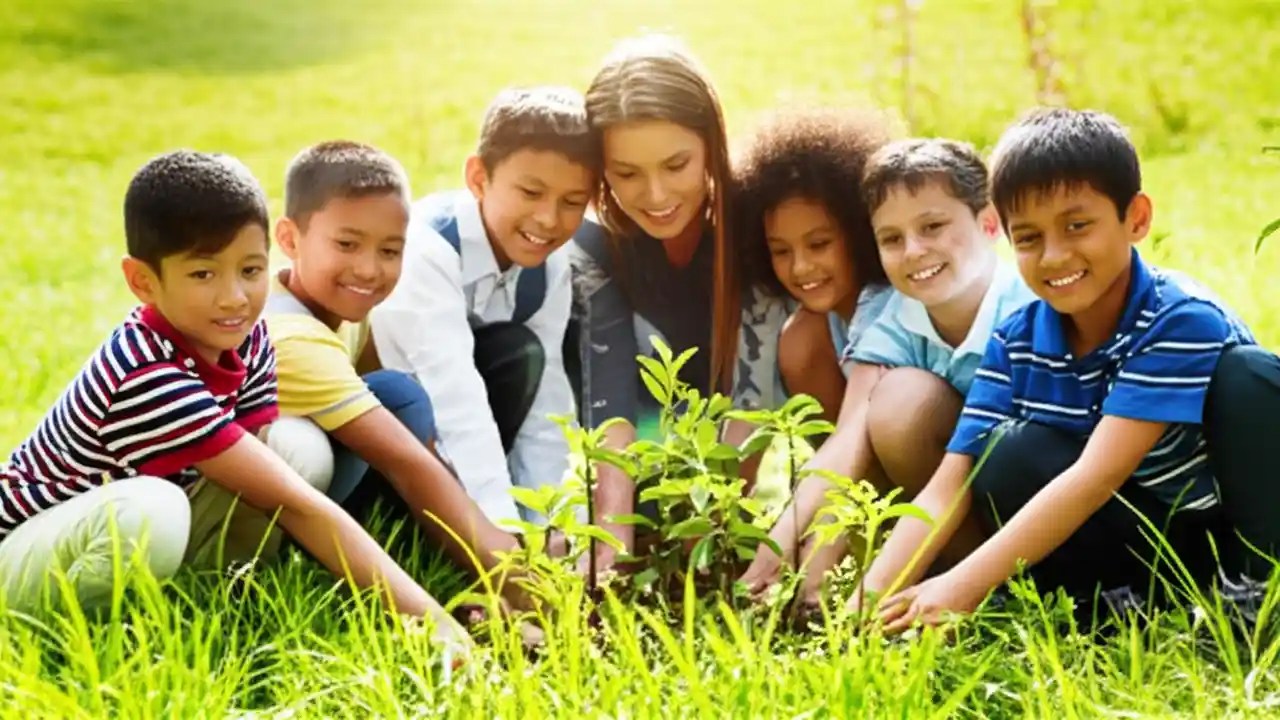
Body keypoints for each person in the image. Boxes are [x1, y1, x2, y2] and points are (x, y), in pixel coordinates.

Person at [0, 150, 469, 653]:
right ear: (142, 281)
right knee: (151, 513)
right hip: (26, 551)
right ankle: (93, 638)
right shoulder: (144, 372)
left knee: (296, 449)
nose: (235, 298)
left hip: (145, 521)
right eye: (203, 274)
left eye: (250, 269)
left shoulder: (247, 339)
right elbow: (294, 503)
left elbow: (270, 487)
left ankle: (222, 596)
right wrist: (434, 621)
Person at [868, 108, 1280, 632]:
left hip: (1217, 522)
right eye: (1029, 238)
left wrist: (962, 587)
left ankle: (1258, 594)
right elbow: (951, 484)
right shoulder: (1016, 338)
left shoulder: (1180, 319)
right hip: (1143, 527)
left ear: (1136, 218)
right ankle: (1121, 605)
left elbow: (1095, 475)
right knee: (1005, 455)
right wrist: (870, 596)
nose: (1055, 255)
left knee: (1248, 376)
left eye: (1077, 226)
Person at [740, 138, 1036, 608]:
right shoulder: (897, 317)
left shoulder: (1029, 309)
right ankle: (950, 580)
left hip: (1049, 502)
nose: (914, 251)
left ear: (989, 223)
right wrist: (777, 548)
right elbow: (849, 439)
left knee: (909, 406)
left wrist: (866, 605)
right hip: (961, 502)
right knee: (894, 406)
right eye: (892, 239)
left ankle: (988, 581)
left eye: (933, 227)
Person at [263, 140, 524, 594]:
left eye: (390, 251)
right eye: (347, 244)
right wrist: (522, 581)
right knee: (386, 408)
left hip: (300, 495)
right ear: (289, 239)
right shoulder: (287, 332)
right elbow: (406, 460)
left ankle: (416, 551)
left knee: (399, 392)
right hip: (245, 517)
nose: (368, 269)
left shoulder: (343, 312)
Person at [569, 34, 786, 569]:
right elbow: (610, 397)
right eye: (626, 174)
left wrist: (713, 519)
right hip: (642, 470)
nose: (657, 195)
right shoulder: (591, 250)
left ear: (711, 143)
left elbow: (751, 396)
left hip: (724, 469)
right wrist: (611, 544)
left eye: (676, 164)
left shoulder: (754, 228)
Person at [371, 87, 597, 526]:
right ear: (478, 178)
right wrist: (503, 541)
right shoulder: (426, 249)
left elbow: (545, 410)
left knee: (526, 352)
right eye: (531, 192)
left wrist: (547, 525)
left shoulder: (549, 268)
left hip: (456, 441)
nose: (549, 219)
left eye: (572, 203)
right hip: (380, 439)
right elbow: (457, 401)